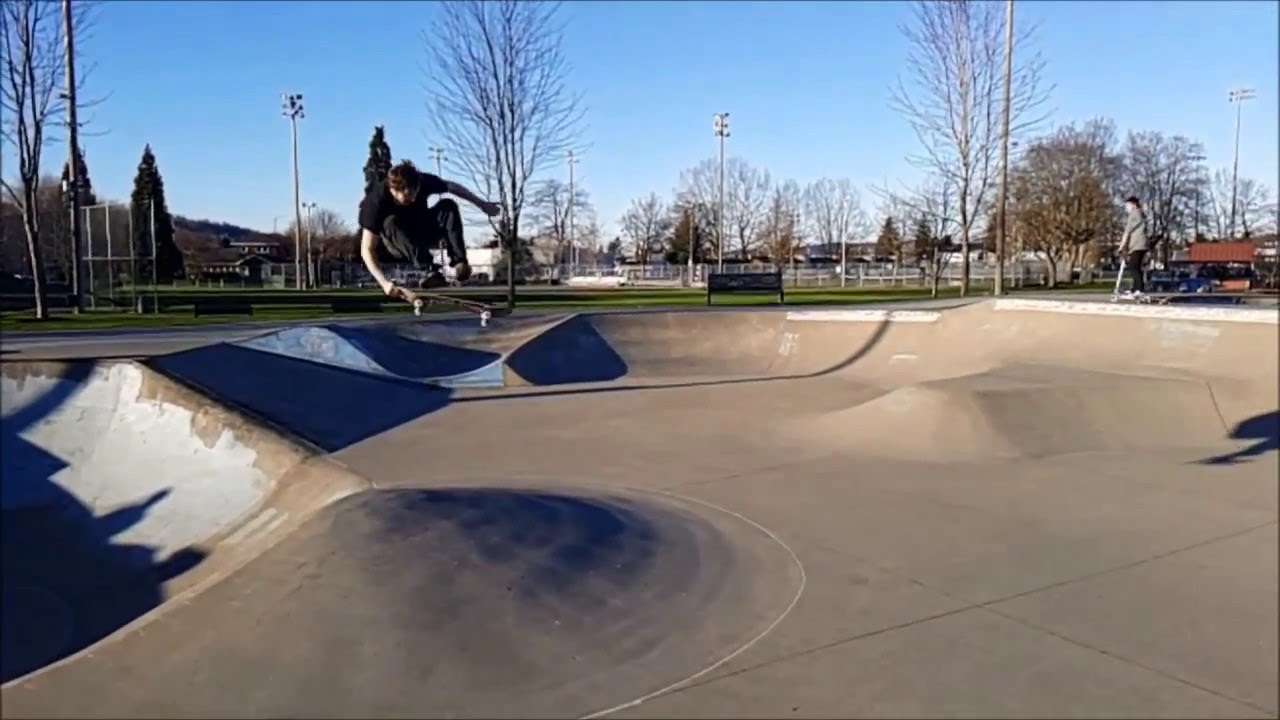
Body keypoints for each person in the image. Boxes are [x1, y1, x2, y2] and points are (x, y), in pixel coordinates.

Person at [357, 159, 500, 298]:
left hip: (423, 231)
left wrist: (482, 204)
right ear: (393, 190)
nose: (412, 200)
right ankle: (427, 270)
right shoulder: (375, 202)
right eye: (406, 198)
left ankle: (459, 263)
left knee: (448, 205)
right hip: (396, 243)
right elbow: (366, 249)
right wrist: (384, 283)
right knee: (390, 222)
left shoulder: (422, 181)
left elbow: (453, 187)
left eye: (415, 195)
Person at [1117, 195, 1149, 297]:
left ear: (1133, 205)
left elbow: (1128, 231)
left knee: (1133, 267)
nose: (1126, 208)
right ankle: (1135, 289)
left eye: (1128, 205)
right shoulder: (1141, 214)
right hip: (1141, 244)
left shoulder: (1134, 214)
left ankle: (1139, 289)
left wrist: (1121, 246)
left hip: (1137, 245)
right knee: (1136, 267)